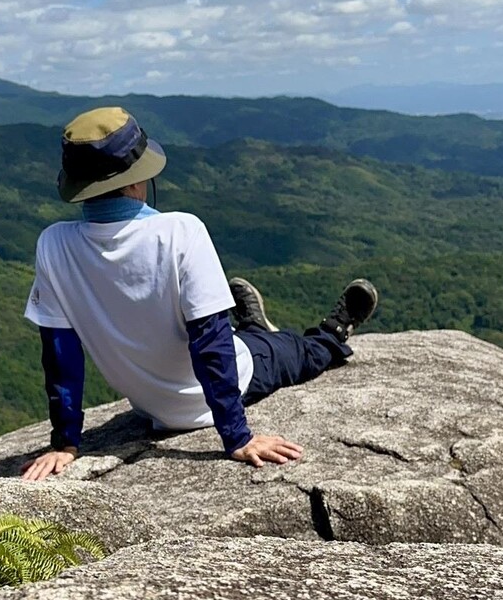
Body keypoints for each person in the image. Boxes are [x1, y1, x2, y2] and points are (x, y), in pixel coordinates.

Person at [20, 107, 378, 479]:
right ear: (134, 181)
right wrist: (237, 437)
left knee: (241, 336)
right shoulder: (180, 233)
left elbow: (61, 356)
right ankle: (333, 332)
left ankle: (253, 325)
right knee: (294, 350)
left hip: (151, 409)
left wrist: (65, 443)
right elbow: (210, 343)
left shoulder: (53, 245)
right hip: (228, 384)